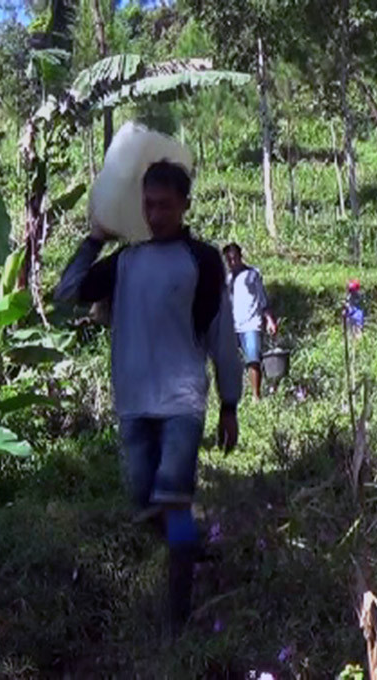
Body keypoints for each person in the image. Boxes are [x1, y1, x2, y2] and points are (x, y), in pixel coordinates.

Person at [54, 160, 242, 637]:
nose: (155, 214)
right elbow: (67, 291)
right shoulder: (126, 262)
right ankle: (191, 548)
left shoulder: (201, 260)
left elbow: (221, 334)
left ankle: (177, 621)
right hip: (135, 404)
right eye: (148, 205)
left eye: (165, 205)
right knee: (144, 502)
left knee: (172, 500)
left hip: (183, 402)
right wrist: (95, 238)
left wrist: (229, 402)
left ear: (184, 206)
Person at [222, 243, 277, 400]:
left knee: (253, 358)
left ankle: (256, 395)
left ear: (240, 257)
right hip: (234, 326)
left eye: (234, 259)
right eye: (229, 260)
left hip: (251, 323)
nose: (232, 263)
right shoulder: (228, 279)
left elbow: (263, 300)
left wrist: (270, 320)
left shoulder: (252, 275)